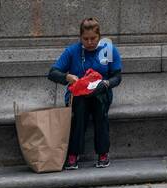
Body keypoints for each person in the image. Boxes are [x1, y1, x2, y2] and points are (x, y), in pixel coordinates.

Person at [48, 17, 123, 169]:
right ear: (80, 38)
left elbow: (117, 76)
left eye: (93, 38)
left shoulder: (107, 49)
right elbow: (52, 73)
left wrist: (106, 83)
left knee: (99, 109)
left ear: (99, 36)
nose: (90, 42)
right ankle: (73, 154)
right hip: (77, 94)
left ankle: (103, 153)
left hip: (101, 91)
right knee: (79, 110)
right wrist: (67, 77)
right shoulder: (72, 51)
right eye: (85, 39)